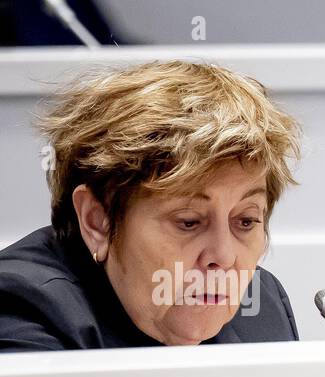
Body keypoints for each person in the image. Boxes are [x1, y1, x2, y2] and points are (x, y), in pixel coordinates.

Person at [0, 60, 302, 351]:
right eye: (189, 221)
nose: (223, 257)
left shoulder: (262, 310)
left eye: (246, 221)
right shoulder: (22, 311)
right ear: (97, 221)